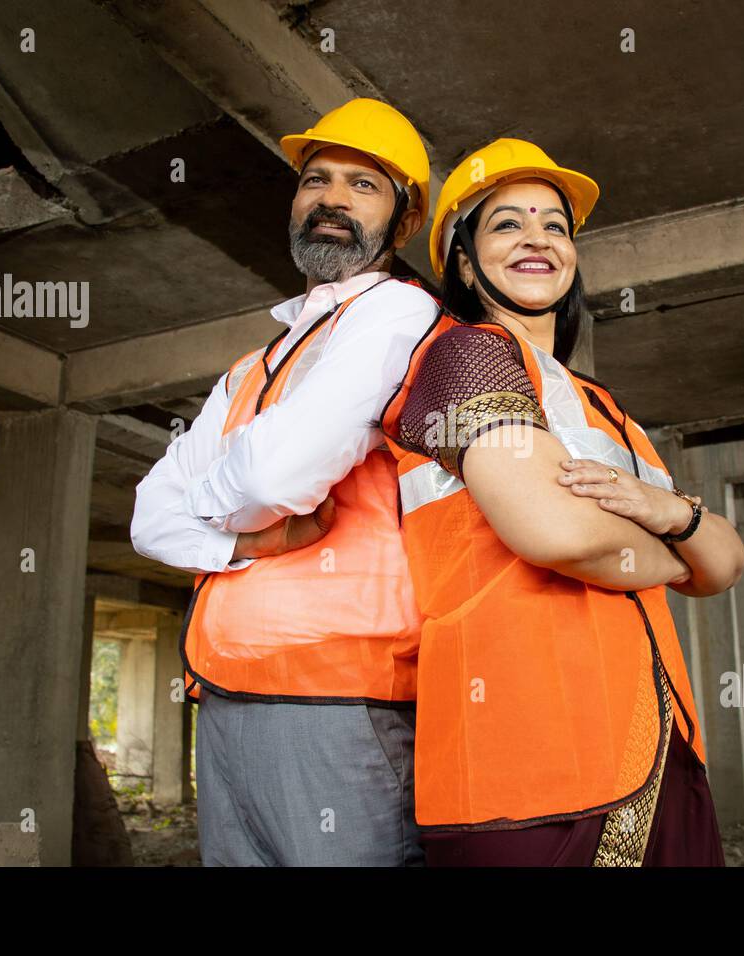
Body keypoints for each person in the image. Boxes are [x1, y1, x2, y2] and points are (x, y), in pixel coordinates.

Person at [379, 139, 744, 865]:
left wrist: (672, 513)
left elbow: (730, 564)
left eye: (554, 224)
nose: (537, 239)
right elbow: (556, 533)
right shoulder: (465, 356)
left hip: (657, 739)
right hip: (526, 762)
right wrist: (679, 547)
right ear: (462, 258)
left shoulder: (606, 406)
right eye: (506, 224)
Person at [130, 98, 439, 866]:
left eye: (363, 186)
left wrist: (209, 508)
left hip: (336, 698)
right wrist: (252, 538)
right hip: (224, 692)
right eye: (316, 180)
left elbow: (277, 470)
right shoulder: (252, 366)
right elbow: (146, 519)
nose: (331, 198)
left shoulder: (395, 313)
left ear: (402, 225)